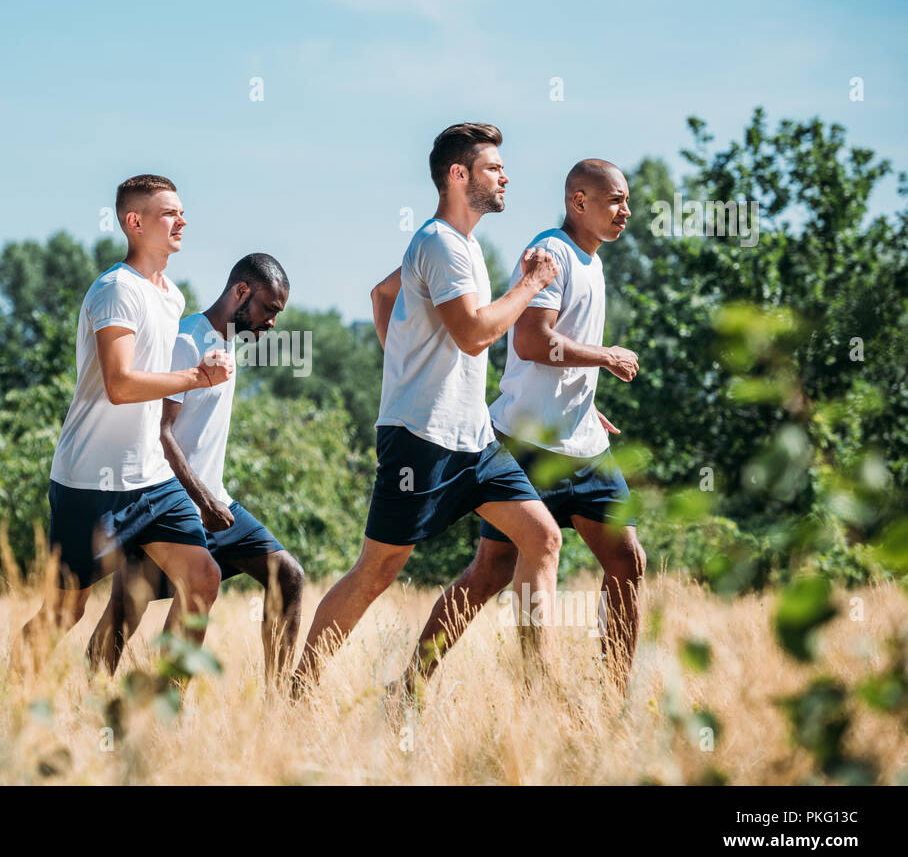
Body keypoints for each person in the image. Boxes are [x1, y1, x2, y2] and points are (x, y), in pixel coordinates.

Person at [292, 123, 564, 694]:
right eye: (493, 168)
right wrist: (531, 283)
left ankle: (536, 689)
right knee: (378, 571)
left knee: (542, 538)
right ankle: (299, 688)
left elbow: (382, 295)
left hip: (475, 440)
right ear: (459, 175)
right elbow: (473, 335)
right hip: (420, 439)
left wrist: (405, 356)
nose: (505, 176)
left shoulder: (457, 246)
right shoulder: (440, 242)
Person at [399, 159, 647, 694]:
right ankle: (418, 684)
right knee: (490, 571)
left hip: (585, 444)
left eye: (626, 201)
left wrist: (583, 399)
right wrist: (603, 357)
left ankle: (614, 694)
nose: (626, 211)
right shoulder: (550, 252)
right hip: (525, 445)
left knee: (628, 560)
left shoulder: (592, 260)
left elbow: (555, 355)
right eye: (616, 200)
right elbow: (533, 342)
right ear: (579, 201)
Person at [14, 175, 234, 669]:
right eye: (169, 213)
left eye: (182, 211)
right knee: (66, 609)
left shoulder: (172, 296)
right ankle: (14, 702)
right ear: (134, 223)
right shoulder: (115, 290)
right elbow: (120, 384)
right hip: (89, 480)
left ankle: (160, 709)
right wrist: (197, 377)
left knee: (202, 578)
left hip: (152, 478)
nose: (182, 220)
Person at [86, 254, 305, 683]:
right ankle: (107, 706)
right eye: (269, 309)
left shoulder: (226, 348)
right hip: (167, 504)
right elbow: (160, 431)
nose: (272, 323)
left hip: (215, 501)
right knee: (123, 616)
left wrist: (211, 498)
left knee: (289, 577)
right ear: (241, 292)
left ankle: (279, 708)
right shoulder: (185, 341)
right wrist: (200, 500)